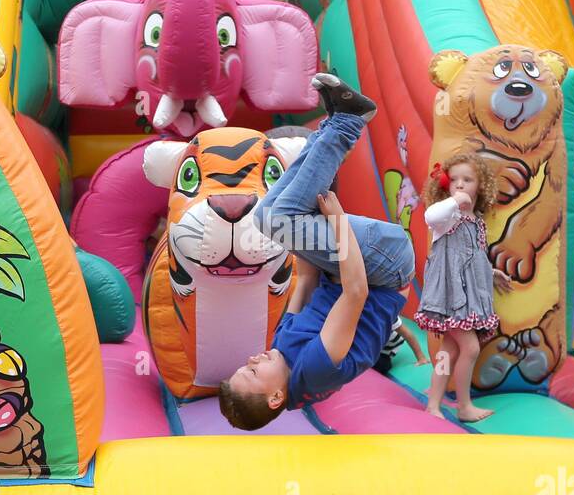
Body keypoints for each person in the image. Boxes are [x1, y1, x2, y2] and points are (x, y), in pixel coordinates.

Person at [219, 75, 415, 430]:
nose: (252, 358)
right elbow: (357, 292)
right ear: (275, 397)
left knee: (269, 217)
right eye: (251, 370)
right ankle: (348, 121)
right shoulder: (315, 371)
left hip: (351, 264)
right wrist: (335, 222)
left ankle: (334, 124)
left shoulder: (281, 352)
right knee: (278, 219)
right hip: (385, 267)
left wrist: (301, 229)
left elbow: (307, 279)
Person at [416, 153, 511, 422]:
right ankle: (464, 406)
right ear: (445, 185)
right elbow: (430, 215)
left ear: (480, 186)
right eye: (454, 179)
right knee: (469, 349)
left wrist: (490, 273)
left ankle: (434, 404)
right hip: (450, 296)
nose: (459, 184)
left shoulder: (476, 221)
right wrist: (455, 200)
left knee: (449, 350)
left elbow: (471, 257)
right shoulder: (448, 216)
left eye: (467, 180)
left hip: (465, 296)